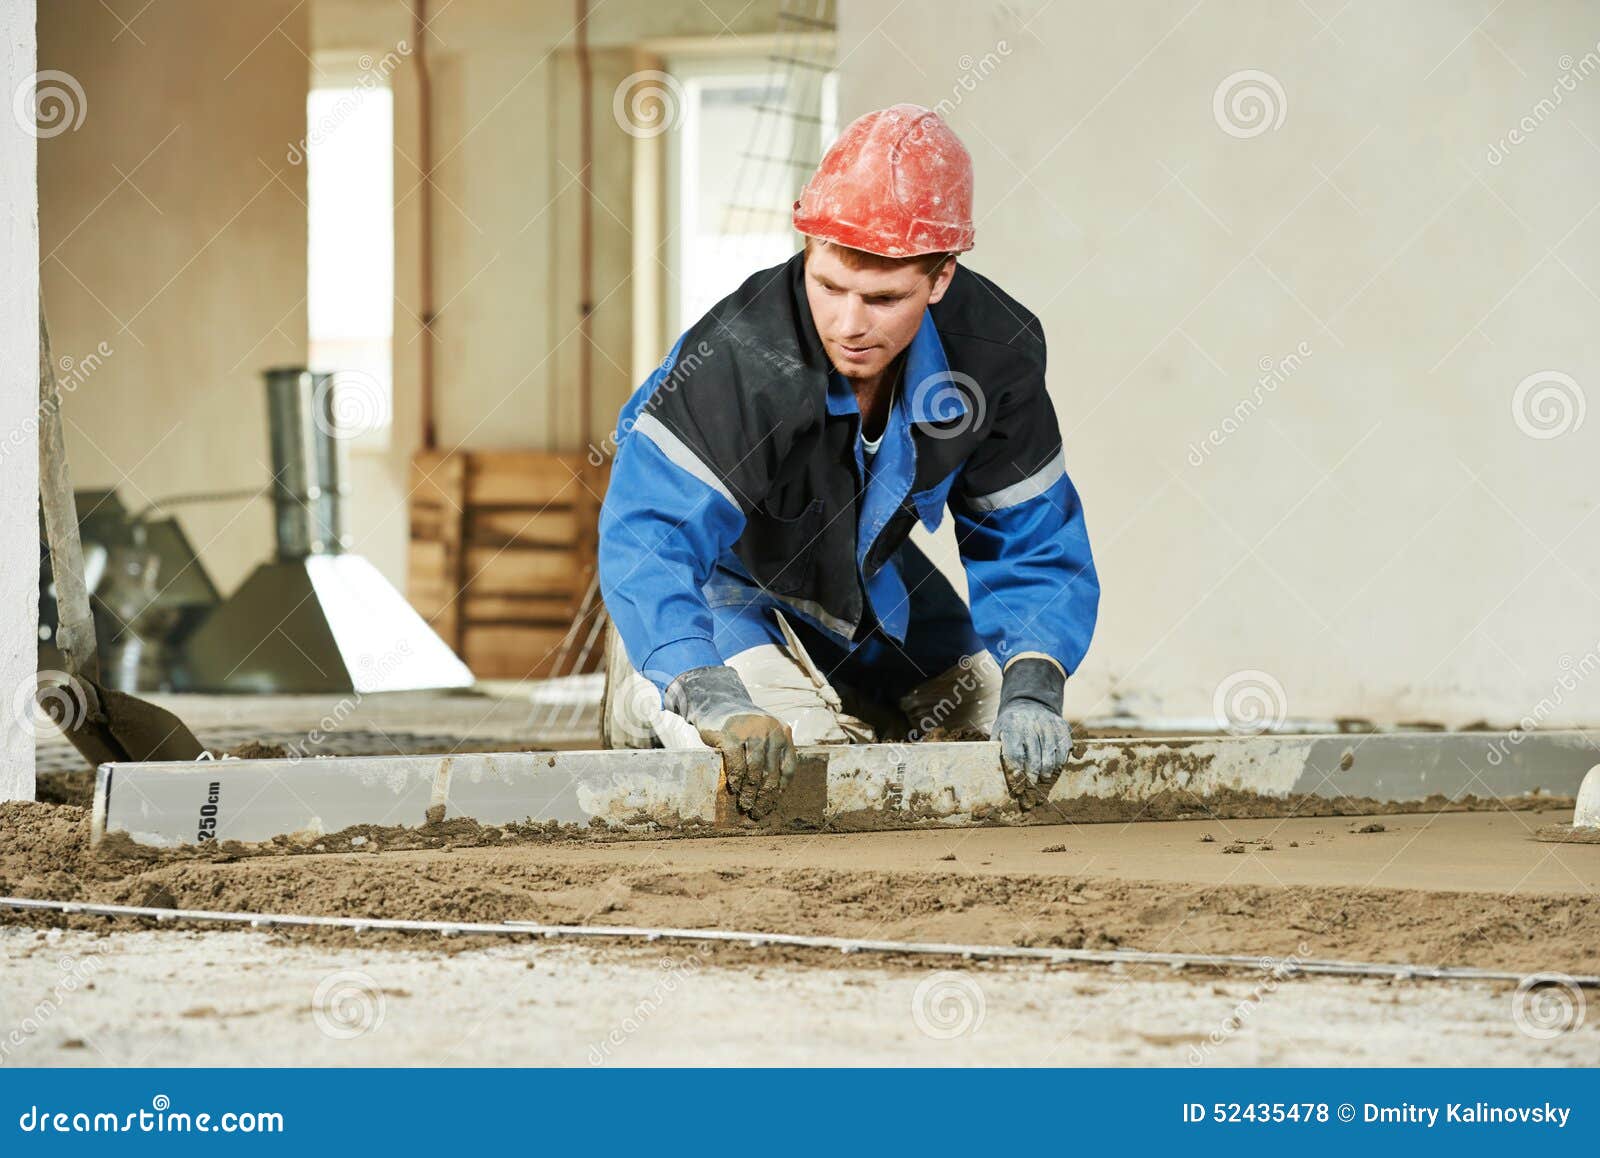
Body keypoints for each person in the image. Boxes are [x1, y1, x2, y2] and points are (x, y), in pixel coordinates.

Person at [597, 103, 1099, 818]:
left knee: (994, 726)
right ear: (808, 247)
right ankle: (654, 687)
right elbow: (651, 540)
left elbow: (1032, 536)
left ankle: (853, 694)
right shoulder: (738, 358)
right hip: (720, 583)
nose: (849, 324)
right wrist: (704, 685)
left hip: (860, 580)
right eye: (829, 286)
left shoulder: (996, 355)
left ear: (942, 278)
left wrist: (1035, 685)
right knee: (786, 766)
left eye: (884, 298)